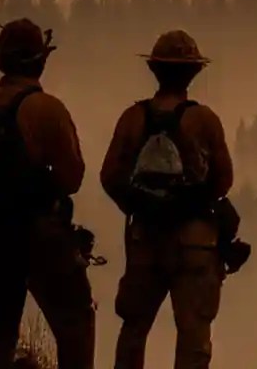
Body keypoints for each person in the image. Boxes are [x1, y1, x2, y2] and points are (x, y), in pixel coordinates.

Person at [100, 30, 237, 369]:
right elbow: (223, 179)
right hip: (196, 243)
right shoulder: (204, 120)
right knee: (193, 336)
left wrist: (140, 206)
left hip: (145, 239)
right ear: (193, 72)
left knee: (133, 329)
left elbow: (109, 177)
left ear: (155, 70)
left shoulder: (133, 118)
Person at [0, 18, 95, 369]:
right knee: (76, 326)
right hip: (43, 238)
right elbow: (72, 178)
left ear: (1, 60)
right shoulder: (47, 109)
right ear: (41, 61)